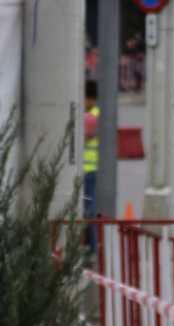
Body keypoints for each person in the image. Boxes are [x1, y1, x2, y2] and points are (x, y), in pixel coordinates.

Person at [82, 78, 101, 225]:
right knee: (88, 210)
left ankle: (92, 246)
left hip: (87, 170)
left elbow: (83, 138)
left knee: (87, 212)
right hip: (90, 169)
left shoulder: (91, 116)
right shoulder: (95, 113)